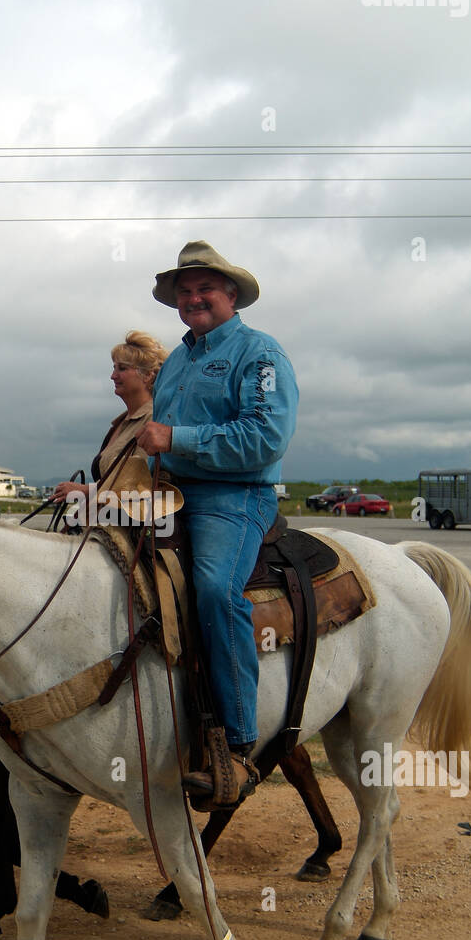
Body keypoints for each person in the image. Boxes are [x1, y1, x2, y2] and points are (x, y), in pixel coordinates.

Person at [135, 241, 299, 804]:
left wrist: (176, 439)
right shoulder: (179, 358)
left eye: (205, 288)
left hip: (235, 496)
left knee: (212, 591)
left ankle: (236, 743)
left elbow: (266, 438)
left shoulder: (261, 354)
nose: (194, 298)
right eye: (185, 292)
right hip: (169, 492)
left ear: (231, 294)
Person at [50, 331, 168, 515]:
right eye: (114, 368)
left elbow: (142, 482)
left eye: (122, 368)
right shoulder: (122, 422)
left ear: (148, 376)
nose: (113, 376)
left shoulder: (153, 419)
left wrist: (86, 491)